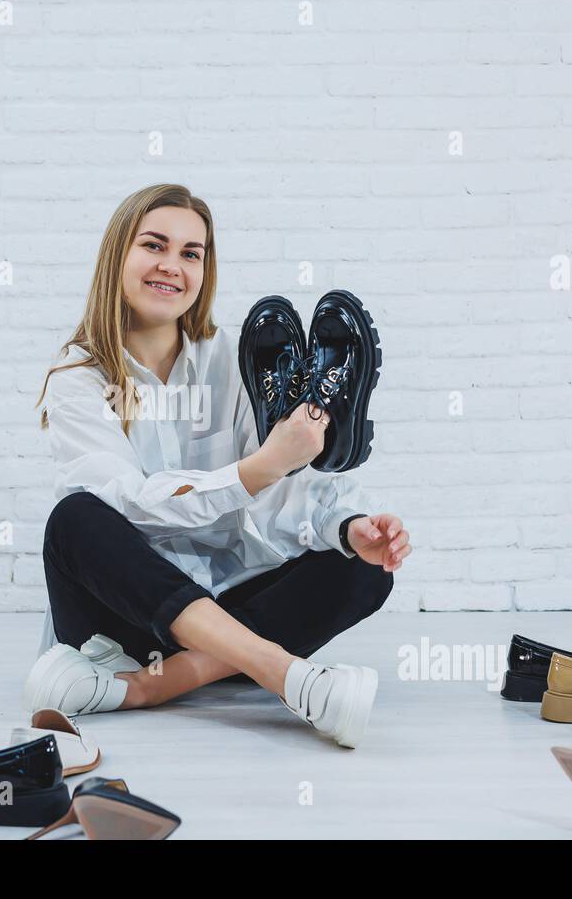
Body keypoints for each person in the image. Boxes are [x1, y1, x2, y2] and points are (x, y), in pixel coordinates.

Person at [24, 184, 411, 748]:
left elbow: (281, 492)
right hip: (121, 622)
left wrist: (348, 528)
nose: (171, 266)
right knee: (77, 517)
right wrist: (257, 468)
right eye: (154, 245)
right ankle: (280, 672)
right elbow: (130, 503)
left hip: (226, 609)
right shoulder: (78, 379)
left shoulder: (231, 361)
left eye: (190, 253)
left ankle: (148, 688)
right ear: (118, 256)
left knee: (363, 565)